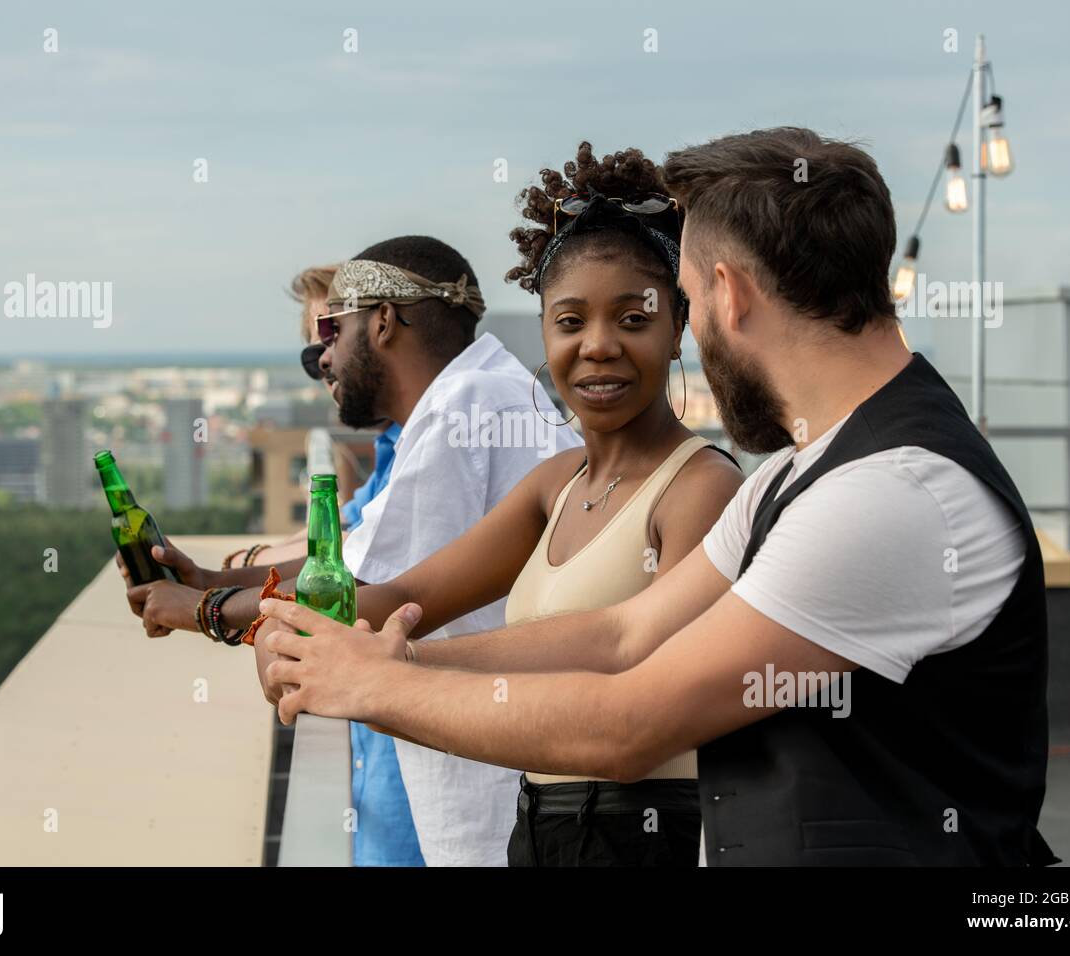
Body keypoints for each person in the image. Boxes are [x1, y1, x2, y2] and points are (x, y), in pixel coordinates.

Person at [258, 128, 1058, 867]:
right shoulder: (800, 472)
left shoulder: (892, 492)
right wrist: (397, 656)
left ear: (727, 293)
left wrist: (376, 687)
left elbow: (631, 723)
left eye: (682, 301)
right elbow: (621, 636)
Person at [258, 143, 742, 866]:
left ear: (679, 325)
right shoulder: (555, 486)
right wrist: (295, 634)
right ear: (545, 332)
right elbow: (397, 597)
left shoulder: (702, 487)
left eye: (634, 321)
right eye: (570, 321)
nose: (599, 346)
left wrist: (389, 673)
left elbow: (635, 684)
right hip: (536, 833)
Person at [138, 234, 584, 865]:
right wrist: (209, 579)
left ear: (381, 323)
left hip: (490, 774)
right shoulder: (484, 388)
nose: (326, 358)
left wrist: (203, 608)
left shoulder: (465, 405)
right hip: (495, 756)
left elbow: (357, 602)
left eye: (333, 331)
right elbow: (352, 560)